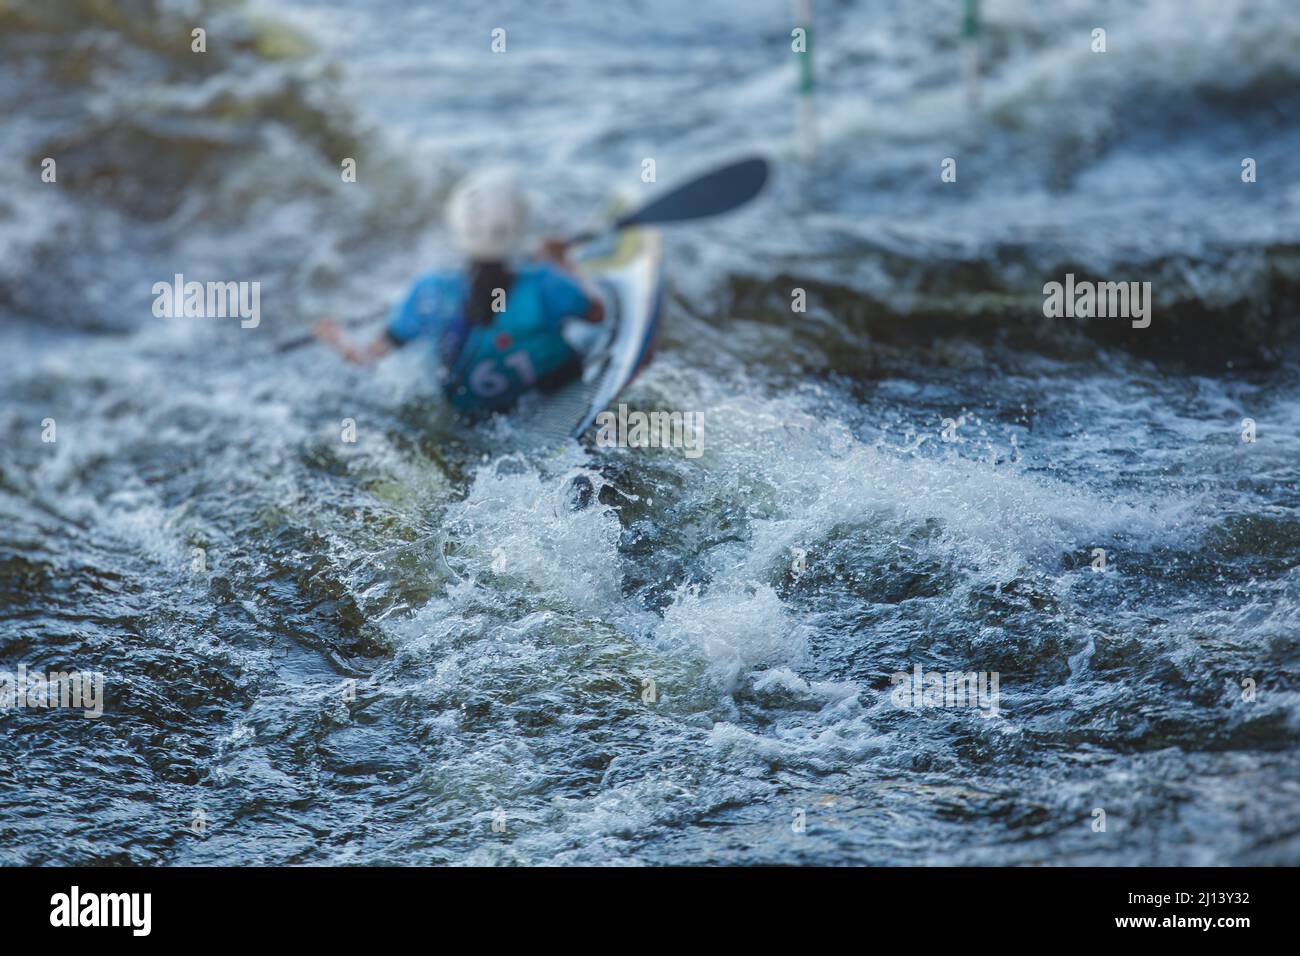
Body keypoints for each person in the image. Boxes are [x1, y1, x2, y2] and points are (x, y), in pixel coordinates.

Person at [314, 168, 604, 412]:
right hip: (557, 388)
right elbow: (597, 312)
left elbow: (367, 358)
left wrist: (336, 337)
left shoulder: (430, 292)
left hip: (478, 419)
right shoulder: (545, 282)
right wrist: (562, 261)